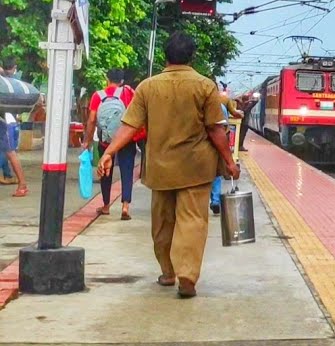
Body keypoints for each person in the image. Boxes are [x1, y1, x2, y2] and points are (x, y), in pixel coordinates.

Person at [99, 33, 238, 299]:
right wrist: (230, 162)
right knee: (192, 221)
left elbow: (130, 125)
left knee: (163, 223)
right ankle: (187, 276)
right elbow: (215, 130)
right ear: (192, 56)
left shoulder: (148, 87)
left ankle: (168, 271)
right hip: (196, 168)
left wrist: (110, 152)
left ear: (166, 55)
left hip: (161, 167)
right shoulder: (204, 86)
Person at [85, 69, 141, 219]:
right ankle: (125, 207)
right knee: (127, 171)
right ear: (122, 81)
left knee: (105, 171)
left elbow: (91, 120)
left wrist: (88, 140)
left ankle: (105, 206)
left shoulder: (98, 95)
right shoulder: (127, 93)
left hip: (105, 140)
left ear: (106, 79)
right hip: (125, 139)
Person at [0, 61, 27, 197]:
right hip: (8, 122)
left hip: (5, 123)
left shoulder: (4, 84)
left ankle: (22, 184)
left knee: (10, 153)